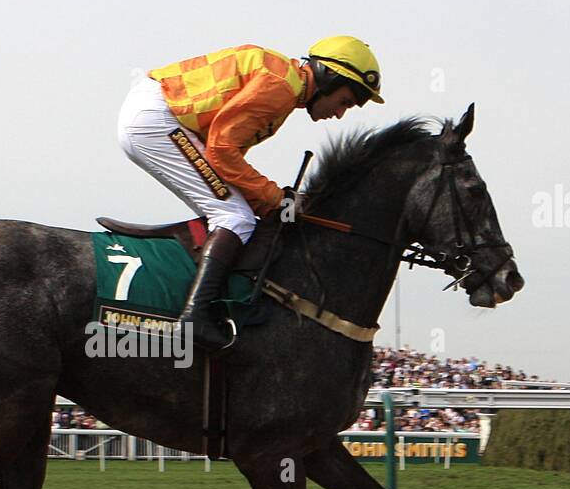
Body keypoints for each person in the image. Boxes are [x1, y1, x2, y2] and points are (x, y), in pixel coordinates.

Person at [117, 36, 384, 352]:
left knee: (237, 211)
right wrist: (275, 198)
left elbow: (226, 159)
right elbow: (222, 149)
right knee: (234, 216)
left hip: (160, 115)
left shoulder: (284, 84)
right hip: (157, 120)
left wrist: (271, 202)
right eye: (345, 101)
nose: (340, 114)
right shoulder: (280, 88)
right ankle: (194, 318)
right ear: (330, 77)